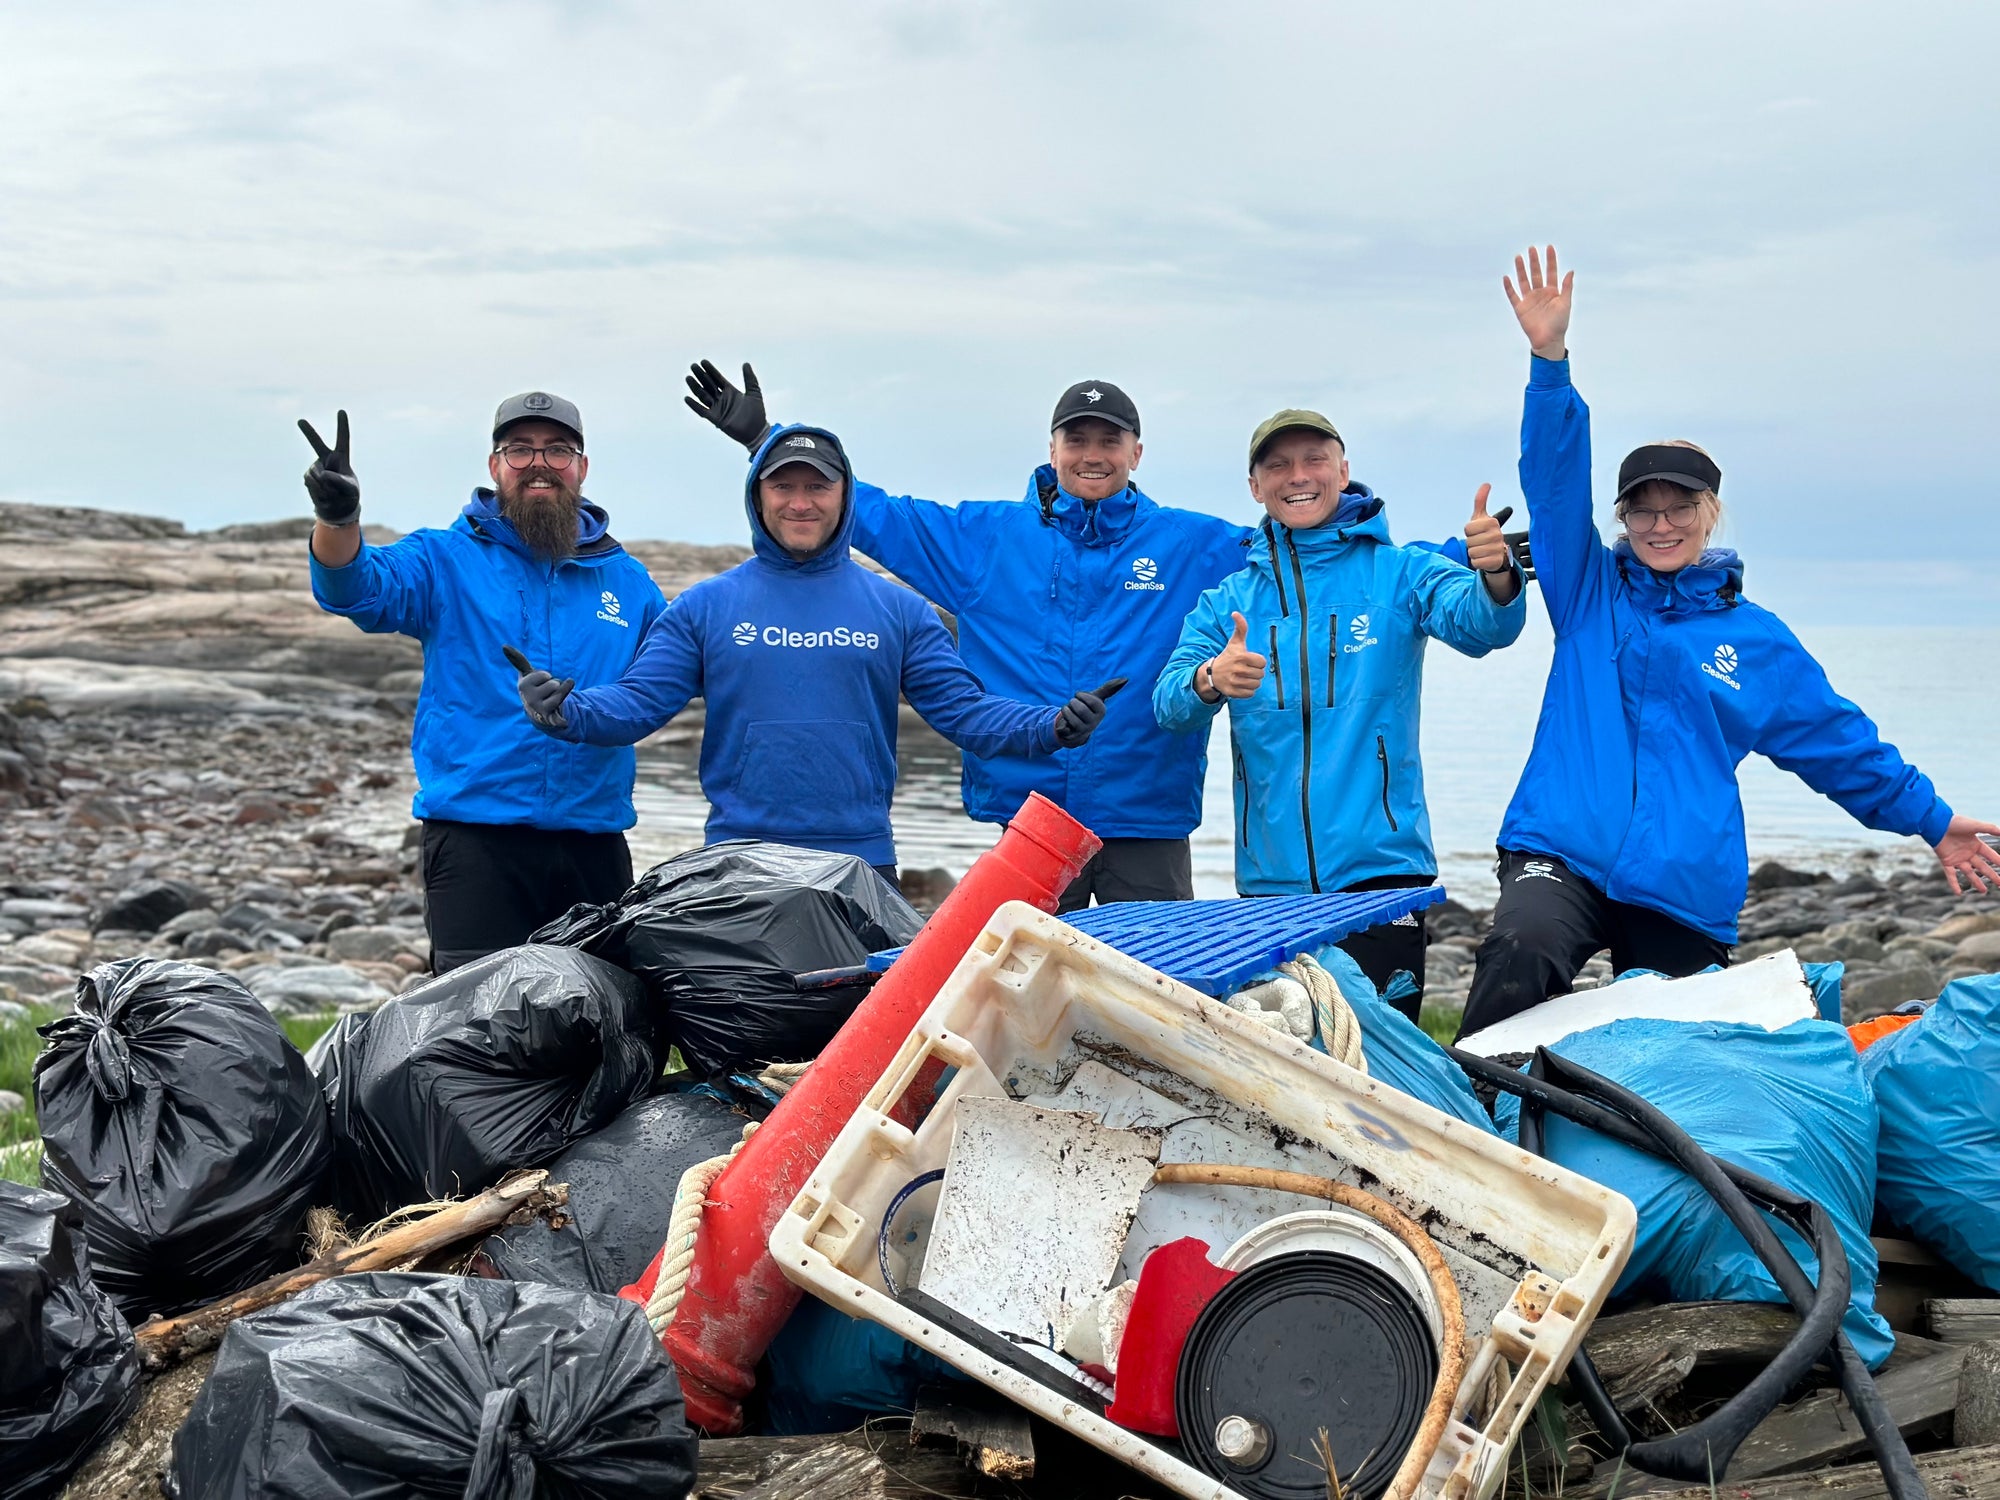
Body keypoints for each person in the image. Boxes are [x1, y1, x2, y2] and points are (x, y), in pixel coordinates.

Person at [1457, 246, 2000, 1037]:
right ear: (1621, 520)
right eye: (1641, 510)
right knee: (1521, 946)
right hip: (1560, 849)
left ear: (1710, 513)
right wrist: (1549, 362)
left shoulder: (1757, 641)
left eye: (1680, 507)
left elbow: (1838, 745)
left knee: (1680, 1052)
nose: (1660, 524)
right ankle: (1466, 1114)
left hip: (1683, 880)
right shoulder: (1587, 590)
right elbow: (1554, 475)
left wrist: (1932, 817)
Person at [683, 363, 1253, 910]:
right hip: (1030, 819)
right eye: (1076, 440)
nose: (1092, 455)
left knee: (1156, 994)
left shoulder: (1189, 543)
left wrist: (1339, 502)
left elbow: (1290, 545)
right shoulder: (986, 539)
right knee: (1015, 992)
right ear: (1052, 451)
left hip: (1147, 817)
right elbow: (870, 512)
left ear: (1137, 453)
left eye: (1110, 441)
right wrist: (764, 437)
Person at [509, 424, 1110, 882]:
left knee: (858, 1040)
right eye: (784, 486)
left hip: (862, 862)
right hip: (739, 859)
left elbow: (966, 713)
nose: (801, 502)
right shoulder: (706, 606)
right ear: (758, 495)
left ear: (844, 495)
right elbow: (637, 704)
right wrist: (567, 712)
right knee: (738, 1041)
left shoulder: (899, 611)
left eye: (817, 485)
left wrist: (1051, 725)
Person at [1152, 411, 1528, 1017]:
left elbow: (1484, 625)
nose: (1297, 476)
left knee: (1385, 1066)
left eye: (1314, 459)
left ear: (1343, 470)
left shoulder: (1400, 571)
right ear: (1255, 487)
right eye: (1277, 465)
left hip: (1382, 877)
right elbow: (1169, 705)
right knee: (1284, 1073)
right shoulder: (1229, 600)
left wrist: (1497, 573)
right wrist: (1209, 680)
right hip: (1270, 886)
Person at [302, 393, 666, 973]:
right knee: (477, 1037)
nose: (539, 463)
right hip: (476, 841)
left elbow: (663, 684)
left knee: (602, 1028)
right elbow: (354, 589)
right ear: (495, 466)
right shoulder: (443, 558)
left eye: (557, 449)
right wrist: (338, 519)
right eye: (519, 450)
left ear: (582, 467)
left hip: (594, 842)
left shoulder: (628, 582)